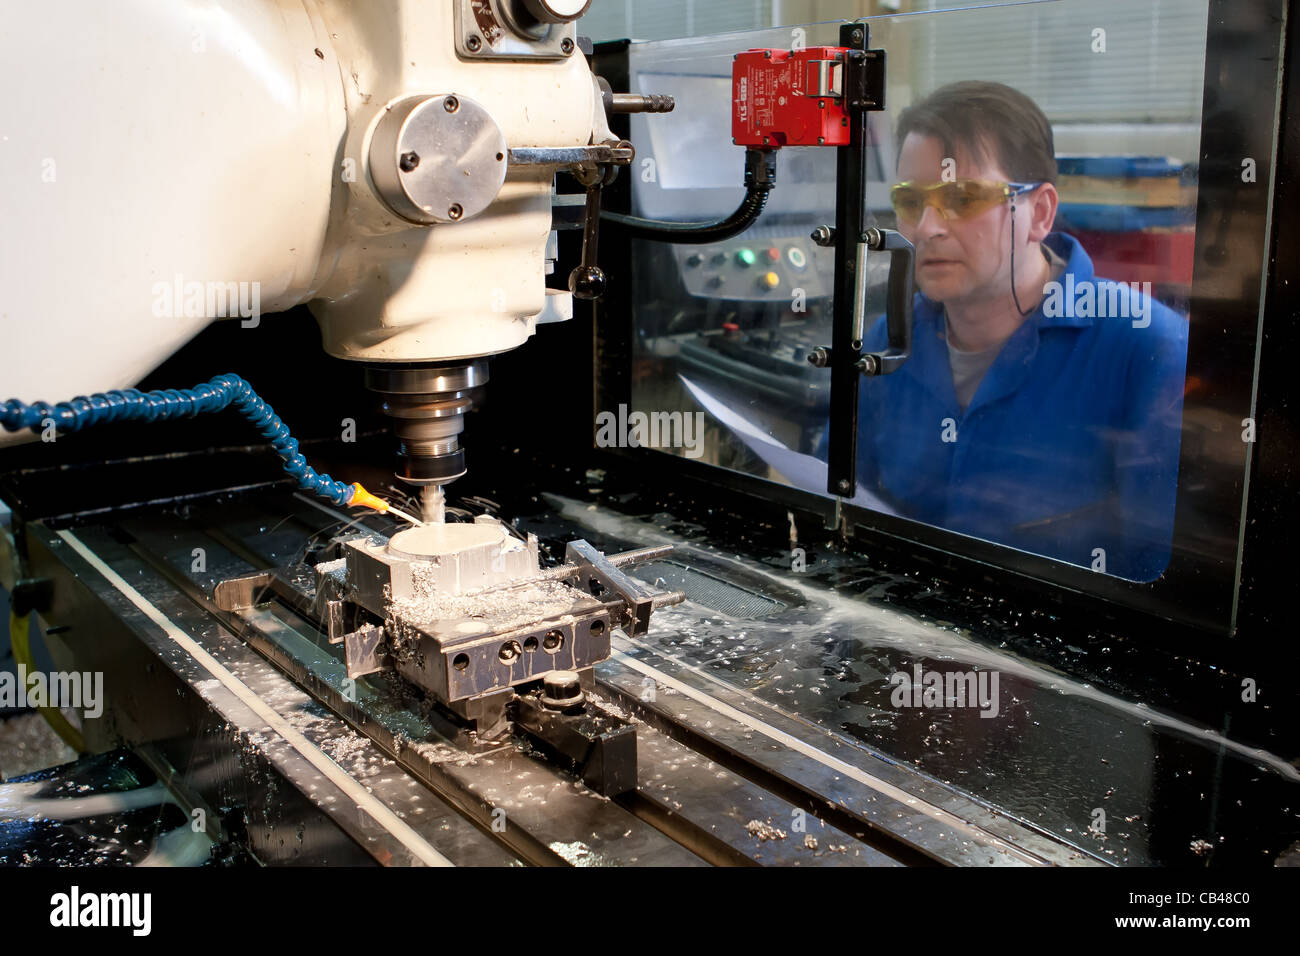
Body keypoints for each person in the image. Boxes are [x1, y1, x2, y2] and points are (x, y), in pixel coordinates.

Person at [856, 81, 1188, 582]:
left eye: (961, 197)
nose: (925, 228)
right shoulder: (891, 338)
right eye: (910, 200)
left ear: (1039, 212)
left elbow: (1163, 583)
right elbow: (836, 498)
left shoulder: (1148, 350)